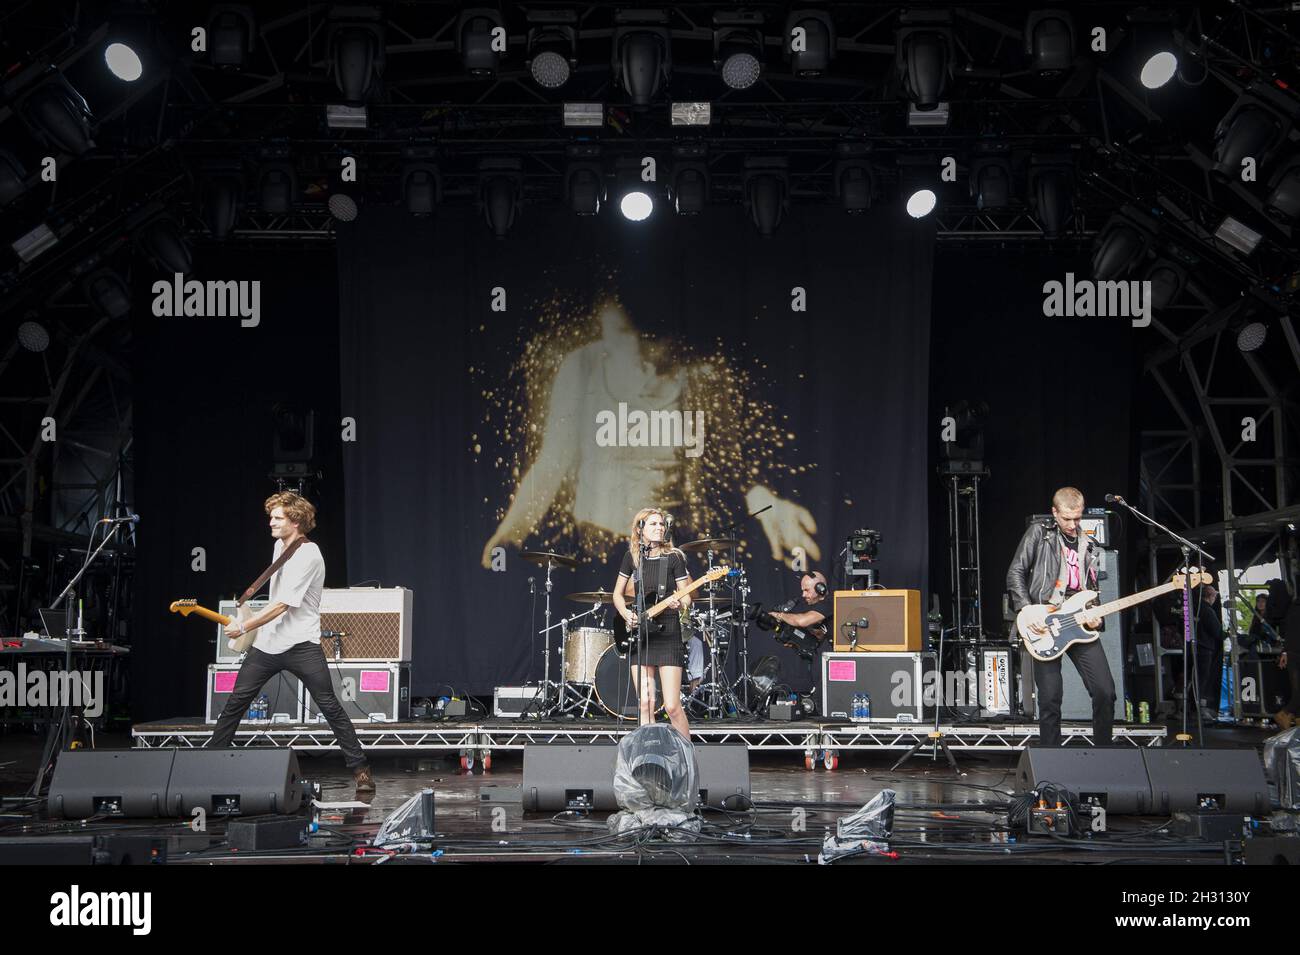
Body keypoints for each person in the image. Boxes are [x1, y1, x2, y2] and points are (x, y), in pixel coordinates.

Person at [480, 301, 820, 567]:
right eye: (620, 333)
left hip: (673, 543)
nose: (635, 351)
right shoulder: (582, 367)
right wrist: (511, 534)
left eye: (645, 338)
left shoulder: (701, 375)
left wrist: (764, 502)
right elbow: (552, 463)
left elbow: (732, 470)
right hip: (600, 546)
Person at [207, 492, 374, 792]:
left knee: (329, 706)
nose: (271, 521)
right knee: (235, 704)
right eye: (271, 516)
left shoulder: (310, 554)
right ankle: (206, 766)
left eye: (278, 517)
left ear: (295, 521)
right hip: (268, 644)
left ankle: (361, 769)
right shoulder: (278, 546)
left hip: (301, 644)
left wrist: (245, 625)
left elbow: (283, 604)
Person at [1006, 486, 1114, 747]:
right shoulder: (1039, 534)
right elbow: (1015, 573)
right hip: (1044, 621)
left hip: (1078, 621)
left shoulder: (1090, 544)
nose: (1072, 524)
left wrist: (1095, 613)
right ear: (1054, 513)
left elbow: (1091, 587)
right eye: (1067, 518)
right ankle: (1052, 761)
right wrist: (1026, 609)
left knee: (1105, 691)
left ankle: (1105, 754)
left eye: (1077, 518)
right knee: (1051, 698)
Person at [612, 508, 693, 739]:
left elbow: (686, 595)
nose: (659, 528)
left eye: (661, 524)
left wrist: (681, 605)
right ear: (640, 529)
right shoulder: (632, 558)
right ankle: (650, 756)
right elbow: (617, 594)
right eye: (653, 524)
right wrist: (626, 614)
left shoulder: (674, 557)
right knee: (646, 703)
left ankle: (688, 754)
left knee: (671, 706)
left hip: (668, 633)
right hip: (642, 635)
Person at [1194, 584, 1225, 720]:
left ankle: (1192, 707)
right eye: (1215, 596)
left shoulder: (1194, 609)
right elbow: (1217, 631)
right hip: (1205, 648)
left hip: (1193, 648)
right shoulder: (1208, 612)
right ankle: (1200, 708)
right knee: (1203, 679)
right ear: (1211, 596)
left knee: (1194, 678)